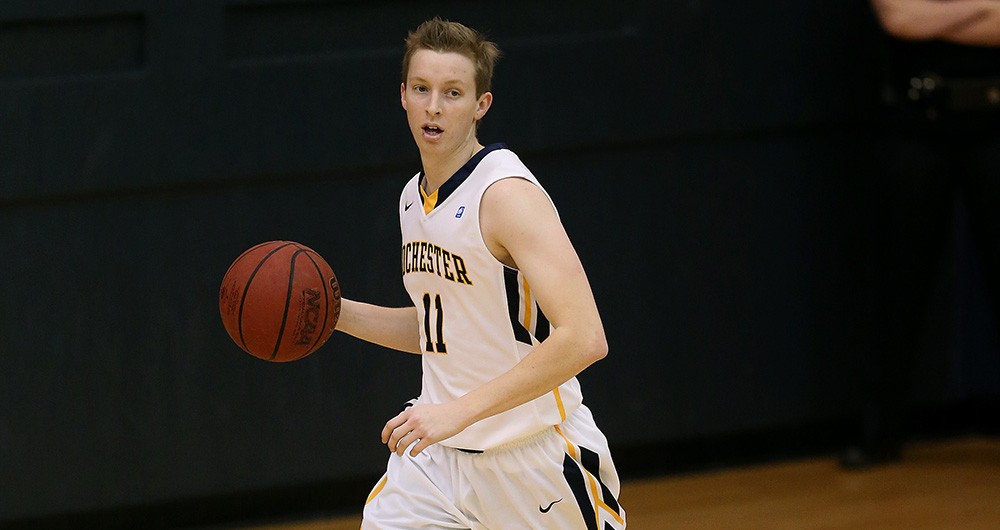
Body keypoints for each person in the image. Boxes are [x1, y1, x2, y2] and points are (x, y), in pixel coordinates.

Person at [334, 18, 626, 529]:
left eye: (452, 92)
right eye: (422, 89)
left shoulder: (505, 195)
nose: (434, 106)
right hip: (436, 464)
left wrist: (457, 412)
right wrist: (334, 315)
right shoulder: (412, 199)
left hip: (534, 462)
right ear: (402, 95)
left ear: (480, 105)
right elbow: (441, 328)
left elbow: (585, 338)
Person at [843, 0, 1000, 469]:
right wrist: (986, 6)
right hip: (912, 122)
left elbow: (919, 18)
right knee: (897, 285)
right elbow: (900, 19)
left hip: (994, 121)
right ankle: (879, 433)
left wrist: (937, 15)